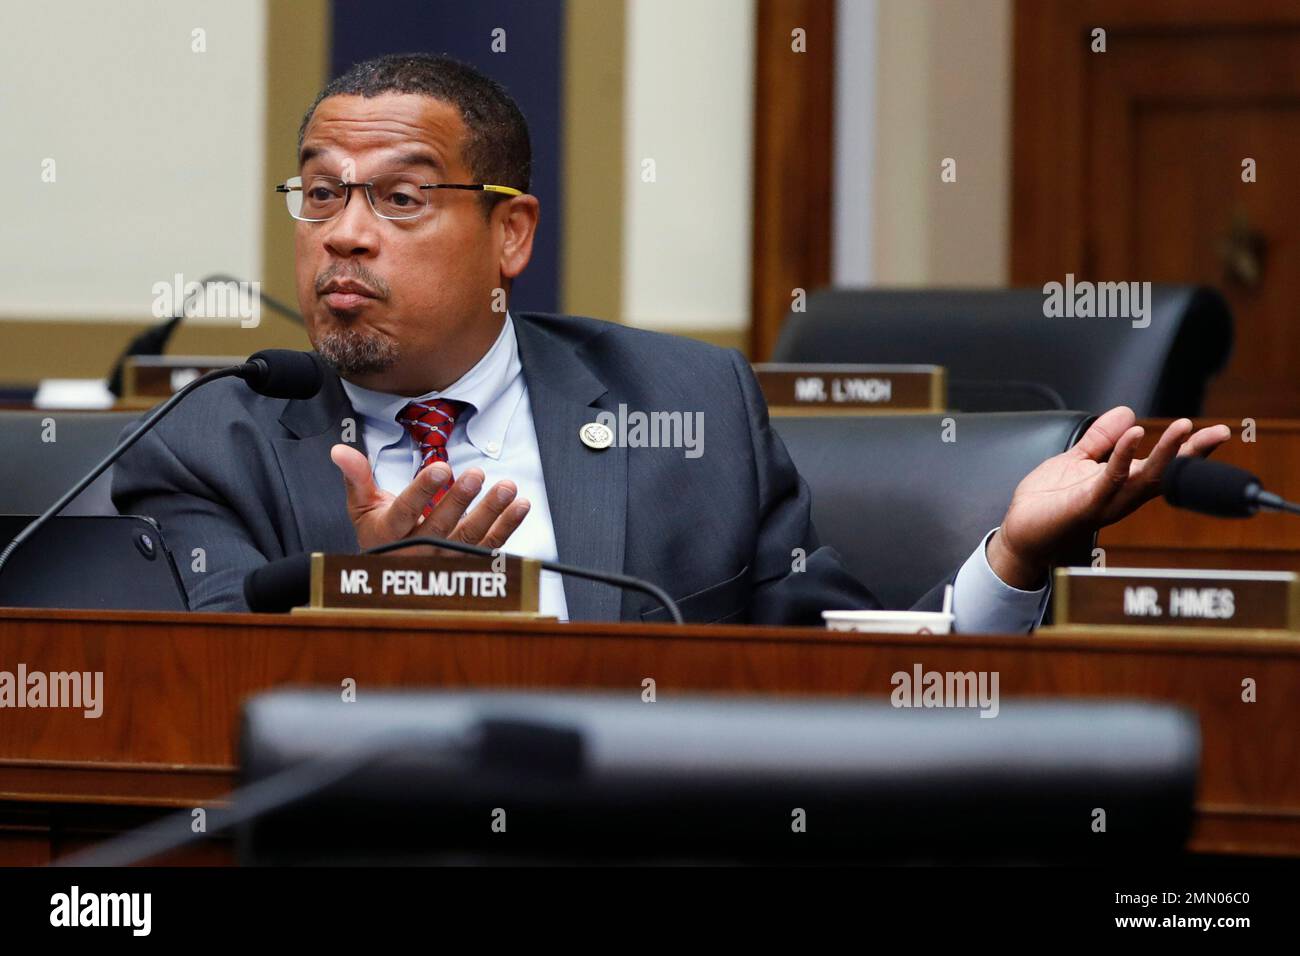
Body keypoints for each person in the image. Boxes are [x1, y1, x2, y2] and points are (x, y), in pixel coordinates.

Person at [112, 53, 1230, 626]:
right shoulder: (207, 438)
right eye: (318, 195)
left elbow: (833, 678)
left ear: (510, 233)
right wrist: (368, 596)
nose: (343, 235)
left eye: (399, 200)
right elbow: (189, 698)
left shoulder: (685, 408)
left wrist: (1011, 559)